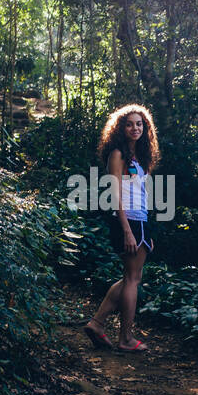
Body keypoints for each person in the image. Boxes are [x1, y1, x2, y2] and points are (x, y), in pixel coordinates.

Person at [83, 104, 161, 352]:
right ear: (121, 127)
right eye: (129, 124)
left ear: (145, 127)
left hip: (140, 220)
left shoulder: (139, 157)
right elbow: (115, 196)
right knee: (131, 279)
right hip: (127, 221)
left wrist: (145, 231)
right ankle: (125, 338)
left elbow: (139, 194)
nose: (135, 128)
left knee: (132, 277)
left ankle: (97, 324)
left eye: (139, 124)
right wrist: (127, 230)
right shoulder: (117, 154)